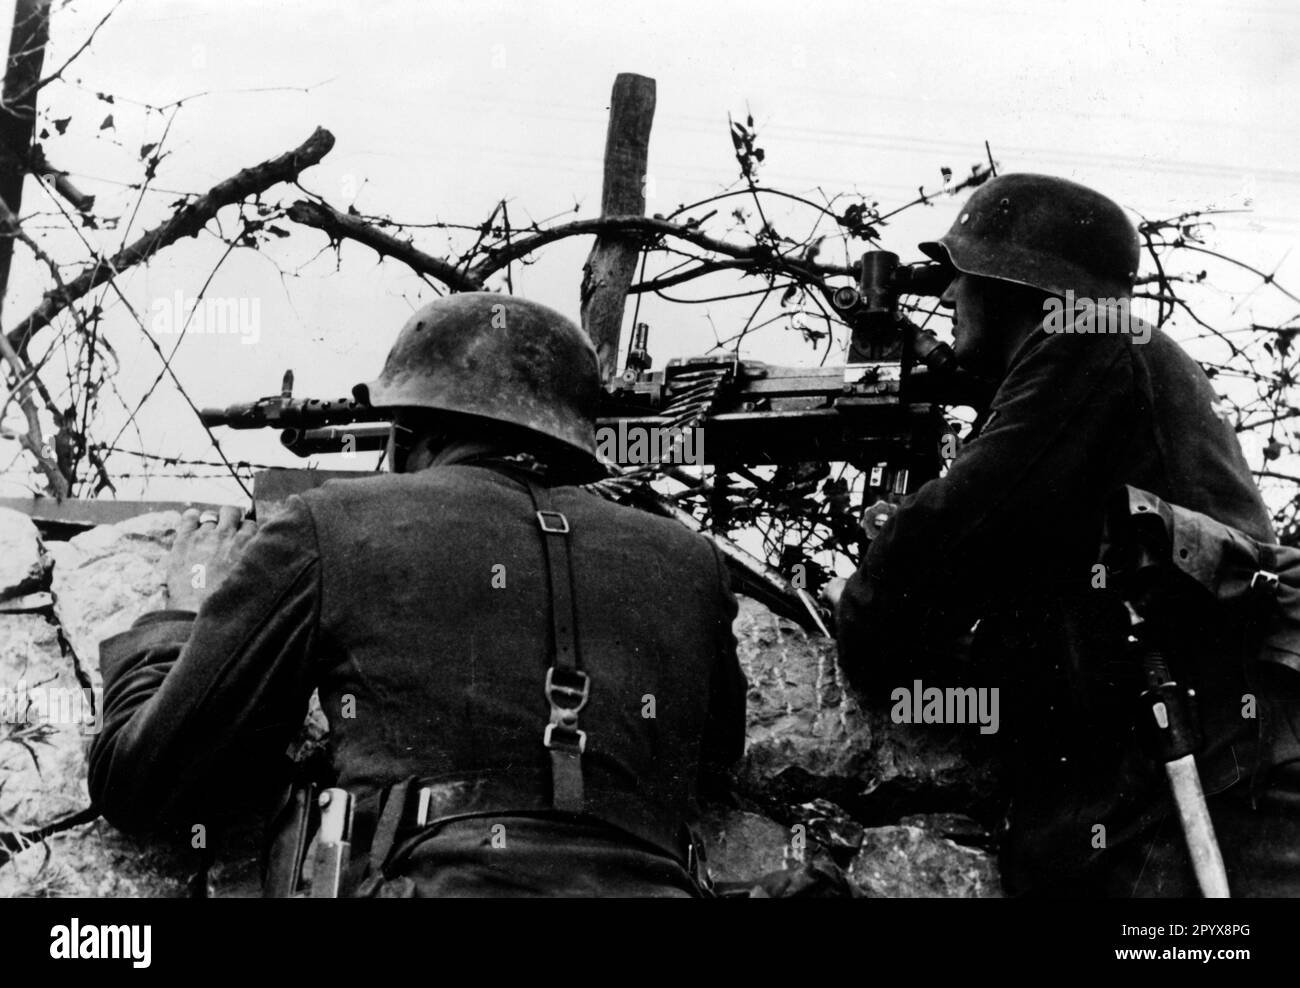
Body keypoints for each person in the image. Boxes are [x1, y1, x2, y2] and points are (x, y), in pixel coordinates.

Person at [88, 292, 746, 897]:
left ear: (409, 432)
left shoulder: (333, 525)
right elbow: (716, 768)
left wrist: (183, 612)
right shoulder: (690, 563)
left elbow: (144, 782)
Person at [833, 173, 1300, 896]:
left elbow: (948, 539)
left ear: (1016, 283)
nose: (949, 298)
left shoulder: (1093, 342)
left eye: (963, 277)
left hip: (1209, 788)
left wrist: (869, 615)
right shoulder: (1102, 371)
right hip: (1176, 785)